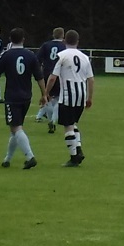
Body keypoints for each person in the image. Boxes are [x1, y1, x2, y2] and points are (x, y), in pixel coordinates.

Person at [0, 28, 41, 169]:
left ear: (10, 39)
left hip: (12, 96)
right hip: (26, 96)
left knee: (16, 128)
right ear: (23, 39)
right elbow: (39, 77)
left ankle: (30, 157)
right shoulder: (31, 55)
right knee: (15, 129)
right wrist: (44, 94)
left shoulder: (6, 55)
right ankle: (7, 159)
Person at [46, 29, 94, 166]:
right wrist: (90, 98)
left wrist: (46, 93)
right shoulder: (85, 57)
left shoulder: (62, 56)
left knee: (68, 127)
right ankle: (78, 150)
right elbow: (91, 79)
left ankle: (74, 158)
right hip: (81, 95)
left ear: (64, 41)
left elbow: (53, 77)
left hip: (68, 96)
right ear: (77, 41)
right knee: (73, 124)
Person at [34, 27, 66, 131]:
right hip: (60, 74)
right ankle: (53, 120)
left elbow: (37, 60)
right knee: (59, 98)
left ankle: (47, 118)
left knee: (46, 96)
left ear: (53, 35)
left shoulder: (46, 45)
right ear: (63, 35)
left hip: (47, 74)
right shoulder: (64, 46)